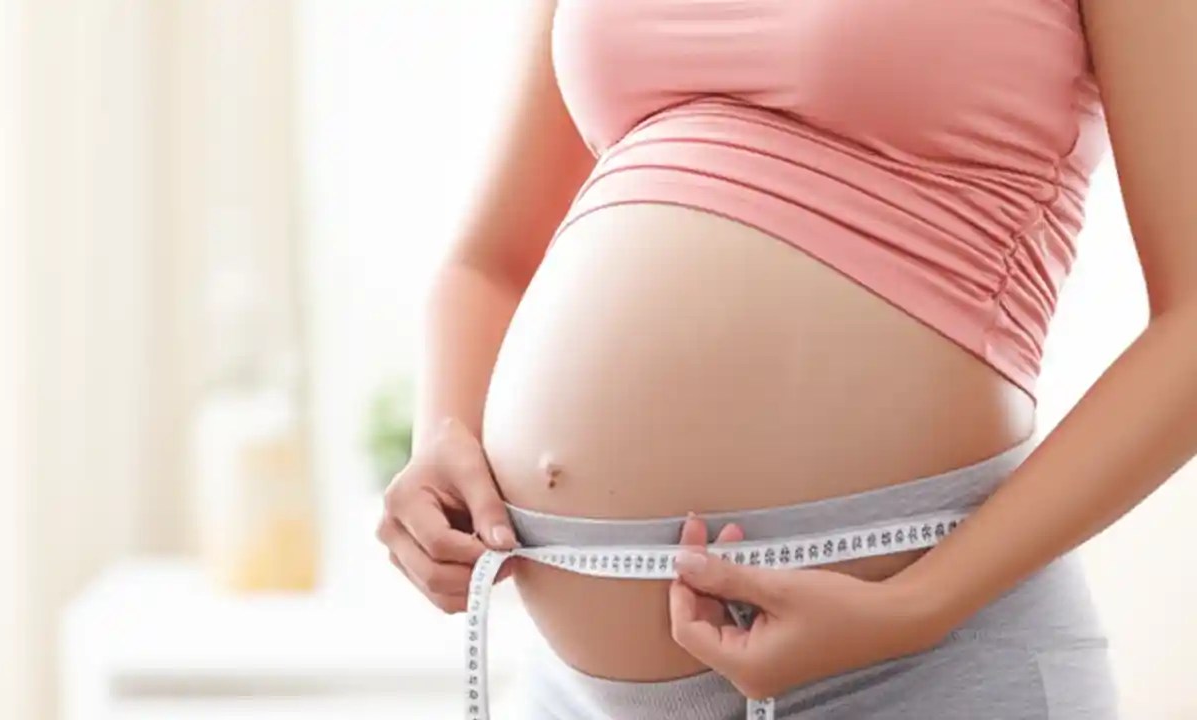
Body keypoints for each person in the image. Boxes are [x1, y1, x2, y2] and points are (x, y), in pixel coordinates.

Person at [376, 1, 1197, 717]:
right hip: (578, 687)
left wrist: (917, 605)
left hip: (917, 663)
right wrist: (442, 434)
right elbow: (490, 265)